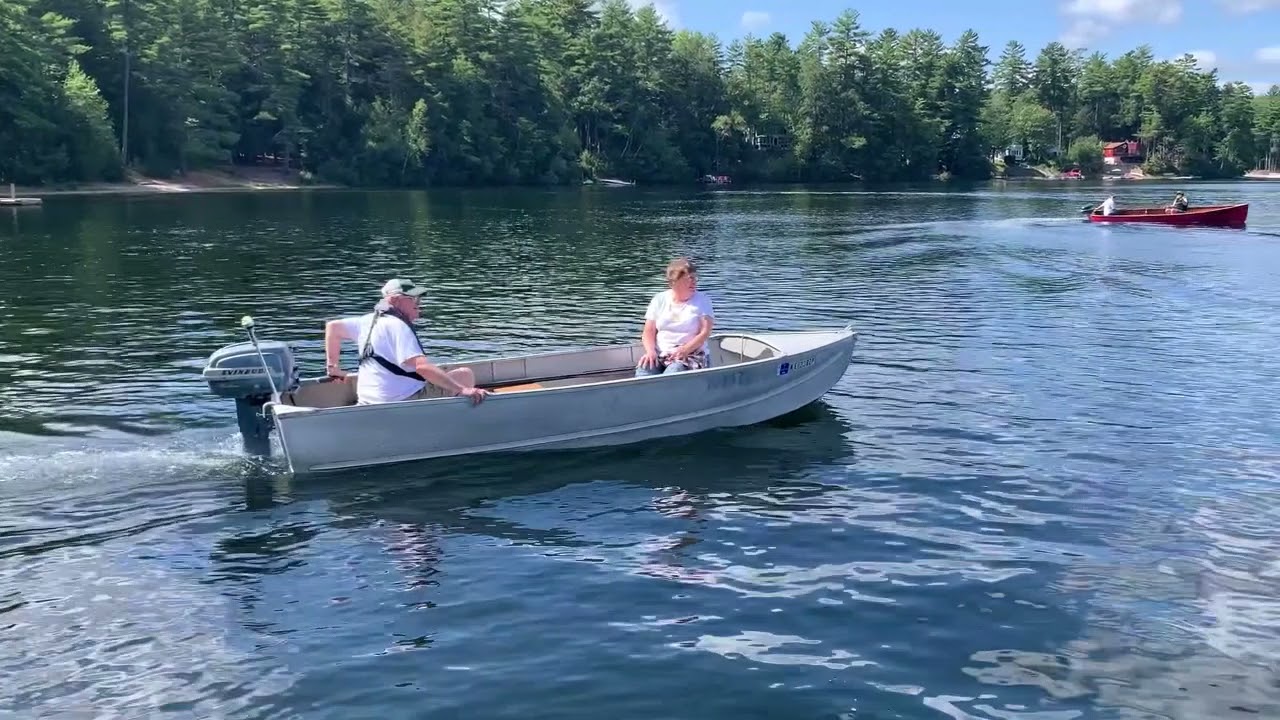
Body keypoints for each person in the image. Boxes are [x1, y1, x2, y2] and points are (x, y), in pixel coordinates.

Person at [323, 278, 489, 405]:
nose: (419, 304)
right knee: (464, 375)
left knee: (441, 373)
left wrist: (333, 368)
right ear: (395, 300)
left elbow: (333, 328)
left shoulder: (366, 321)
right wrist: (463, 389)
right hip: (400, 400)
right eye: (413, 299)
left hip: (369, 400)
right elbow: (421, 367)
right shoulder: (398, 325)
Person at [636, 257, 715, 377]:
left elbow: (705, 332)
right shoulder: (659, 299)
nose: (694, 282)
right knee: (644, 368)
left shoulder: (702, 300)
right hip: (661, 353)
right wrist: (650, 352)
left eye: (695, 278)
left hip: (690, 355)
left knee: (674, 371)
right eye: (689, 279)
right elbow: (649, 331)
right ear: (674, 282)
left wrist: (685, 349)